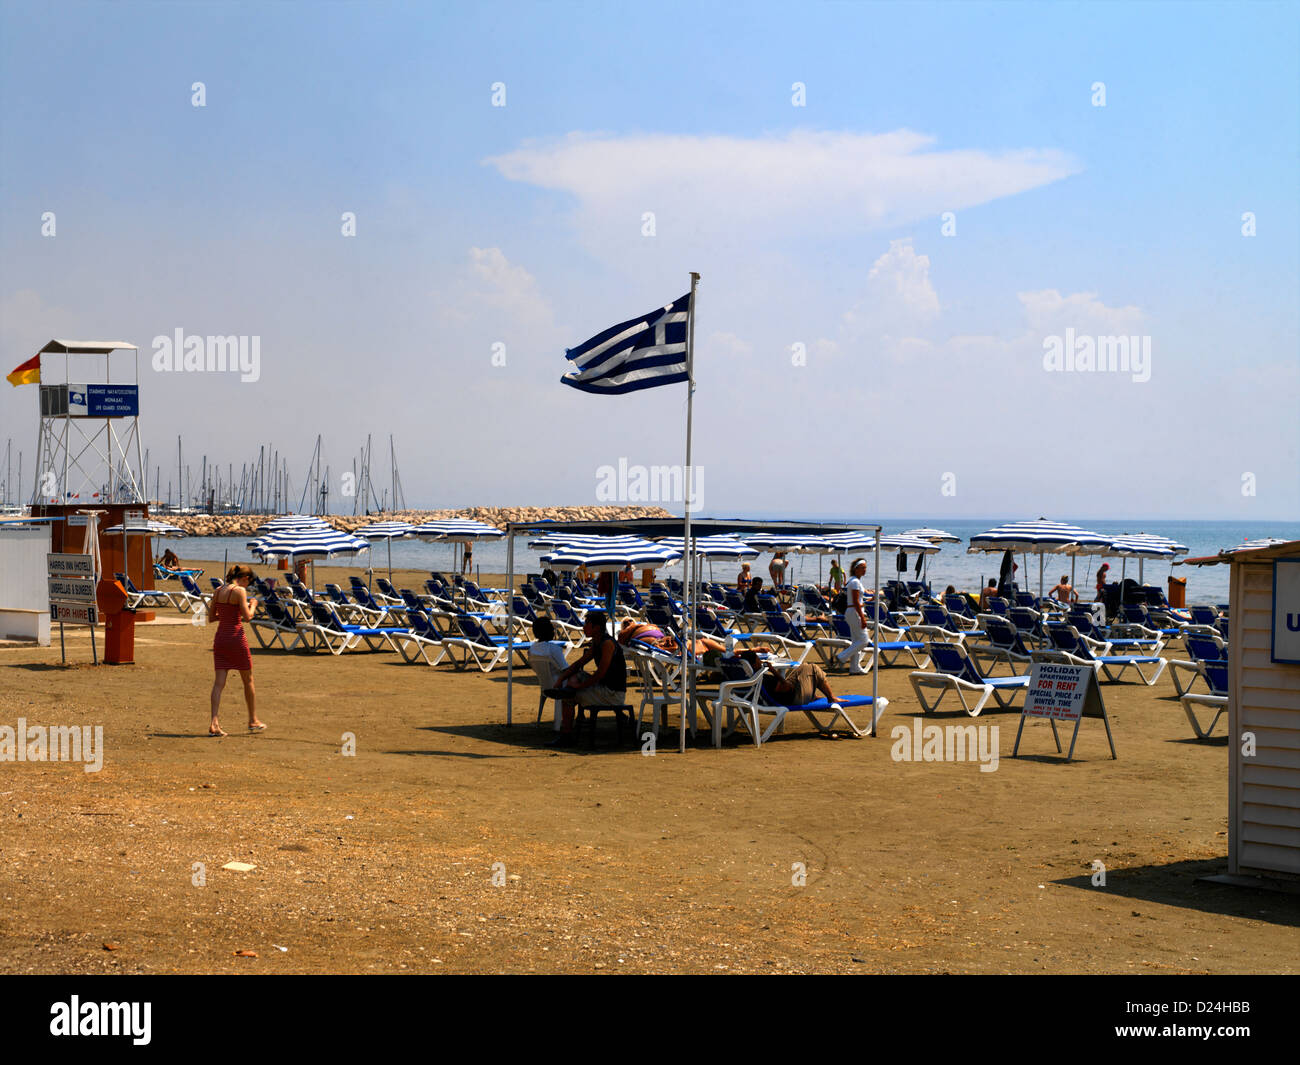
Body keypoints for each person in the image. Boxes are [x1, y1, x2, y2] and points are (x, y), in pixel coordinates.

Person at [551, 611, 627, 746]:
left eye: (587, 624)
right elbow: (578, 664)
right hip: (603, 687)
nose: (584, 627)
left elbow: (600, 673)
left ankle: (566, 735)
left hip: (612, 693)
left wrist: (580, 687)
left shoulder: (607, 644)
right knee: (576, 675)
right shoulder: (597, 642)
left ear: (596, 627)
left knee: (568, 698)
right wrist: (561, 678)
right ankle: (569, 691)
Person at [207, 565, 265, 736]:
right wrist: (253, 605)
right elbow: (247, 617)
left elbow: (212, 617)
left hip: (220, 639)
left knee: (219, 683)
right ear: (245, 578)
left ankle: (214, 722)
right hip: (236, 638)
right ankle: (253, 720)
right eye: (248, 582)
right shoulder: (239, 591)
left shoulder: (218, 590)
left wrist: (228, 614)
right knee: (248, 680)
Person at [528, 618, 571, 730]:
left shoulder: (532, 649)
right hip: (559, 685)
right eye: (552, 629)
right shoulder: (554, 649)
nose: (553, 631)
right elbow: (566, 669)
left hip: (545, 685)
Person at [835, 558, 872, 675]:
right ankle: (842, 656)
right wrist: (862, 617)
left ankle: (854, 667)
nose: (864, 570)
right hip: (854, 611)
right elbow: (856, 601)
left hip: (851, 611)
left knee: (856, 640)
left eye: (865, 567)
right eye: (862, 568)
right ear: (856, 569)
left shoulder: (853, 581)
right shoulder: (855, 582)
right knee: (864, 640)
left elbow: (857, 600)